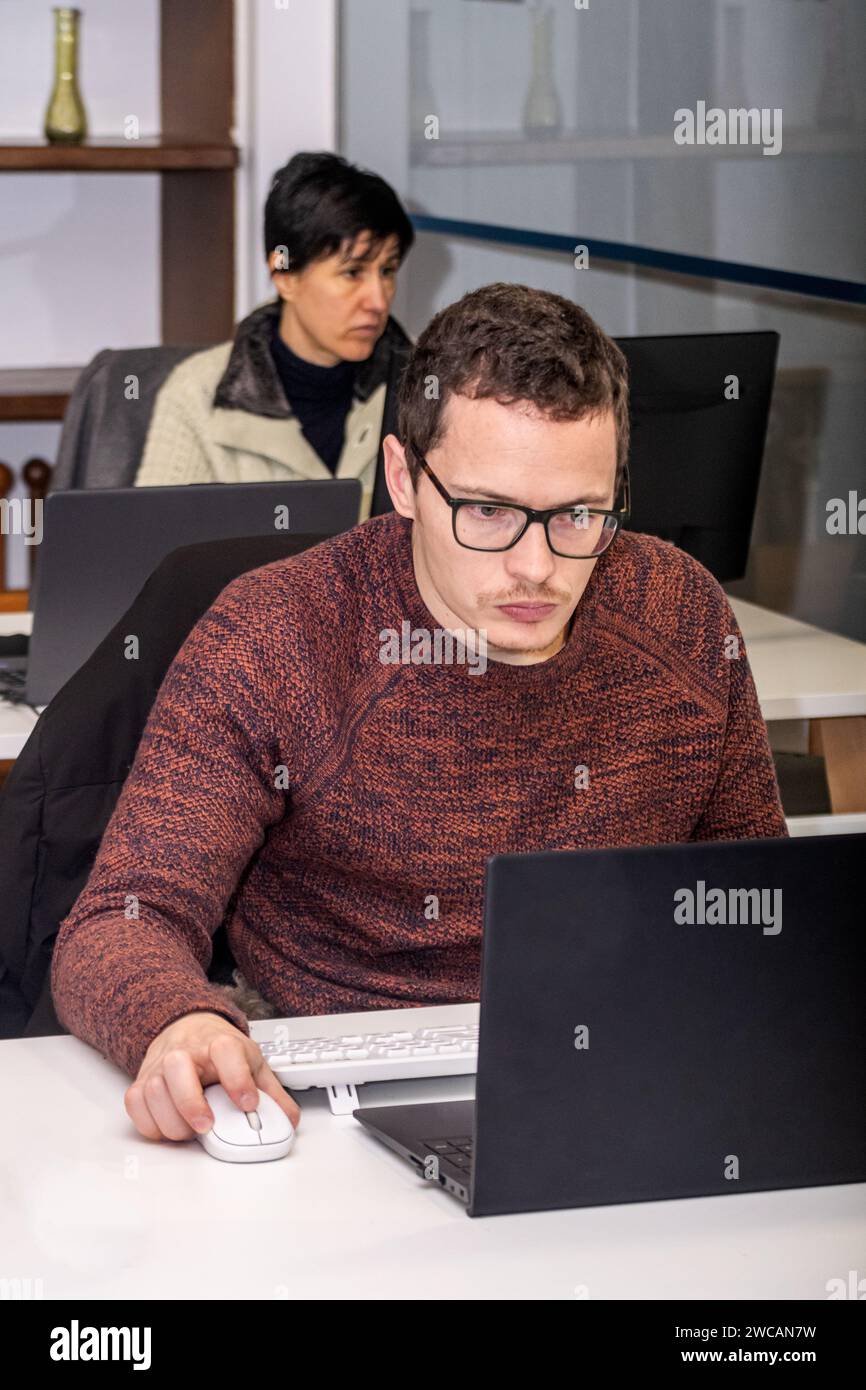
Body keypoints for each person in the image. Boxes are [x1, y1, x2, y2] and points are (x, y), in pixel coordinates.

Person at [51, 282, 788, 1144]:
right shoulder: (277, 635)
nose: (536, 567)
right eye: (487, 512)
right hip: (330, 1098)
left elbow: (754, 901)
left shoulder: (681, 615)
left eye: (579, 516)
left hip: (619, 1072)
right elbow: (121, 918)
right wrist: (181, 1021)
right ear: (402, 478)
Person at [134, 152, 415, 521]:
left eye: (387, 270)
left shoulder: (425, 390)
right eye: (352, 273)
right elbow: (151, 552)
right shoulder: (197, 394)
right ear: (284, 275)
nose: (378, 300)